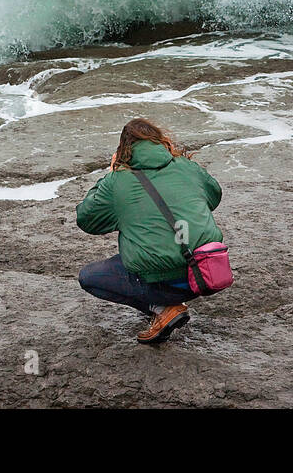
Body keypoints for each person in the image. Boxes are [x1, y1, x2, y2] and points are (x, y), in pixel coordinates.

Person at [76, 117, 224, 344]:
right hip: (206, 273)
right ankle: (167, 305)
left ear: (124, 149)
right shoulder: (186, 166)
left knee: (89, 276)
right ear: (159, 141)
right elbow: (214, 196)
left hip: (164, 282)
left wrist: (110, 174)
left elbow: (86, 219)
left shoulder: (117, 181)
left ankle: (163, 307)